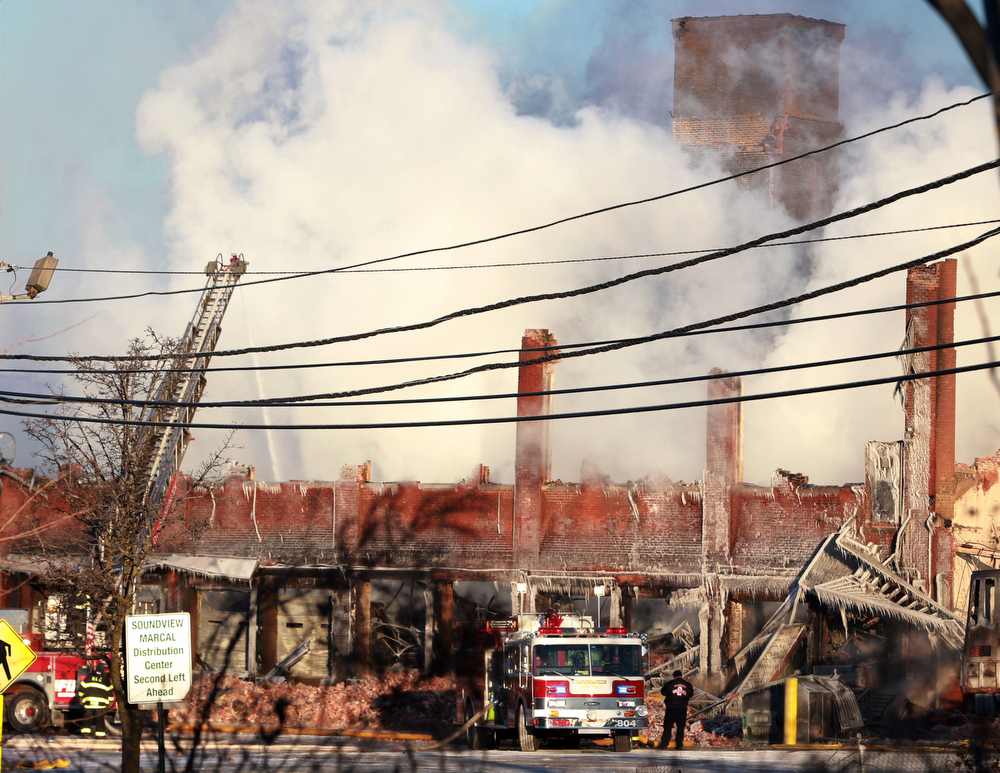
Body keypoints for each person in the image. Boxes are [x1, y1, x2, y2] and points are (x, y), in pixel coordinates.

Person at [78, 660, 114, 737]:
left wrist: (81, 697)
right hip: (101, 704)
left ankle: (85, 733)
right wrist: (110, 702)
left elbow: (82, 687)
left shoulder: (89, 676)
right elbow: (110, 691)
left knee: (87, 718)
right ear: (103, 669)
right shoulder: (105, 679)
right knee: (100, 720)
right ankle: (100, 735)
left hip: (89, 703)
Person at [659, 669, 693, 750]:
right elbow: (691, 694)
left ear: (674, 676)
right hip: (682, 708)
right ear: (682, 676)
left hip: (671, 707)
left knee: (668, 726)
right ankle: (679, 745)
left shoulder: (669, 684)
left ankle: (664, 744)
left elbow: (663, 692)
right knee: (680, 727)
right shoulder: (688, 685)